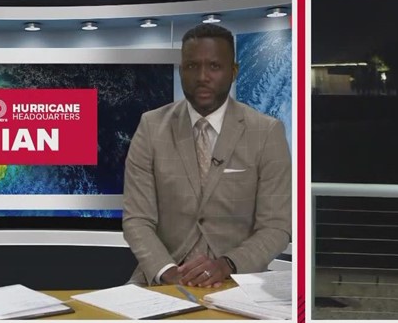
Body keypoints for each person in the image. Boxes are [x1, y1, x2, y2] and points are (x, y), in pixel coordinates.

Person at [122, 23, 291, 287]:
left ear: (233, 71)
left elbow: (277, 227)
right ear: (180, 72)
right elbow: (137, 220)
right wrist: (167, 271)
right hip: (160, 278)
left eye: (214, 66)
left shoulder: (267, 132)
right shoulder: (151, 126)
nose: (202, 76)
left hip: (238, 279)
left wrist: (228, 265)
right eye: (192, 66)